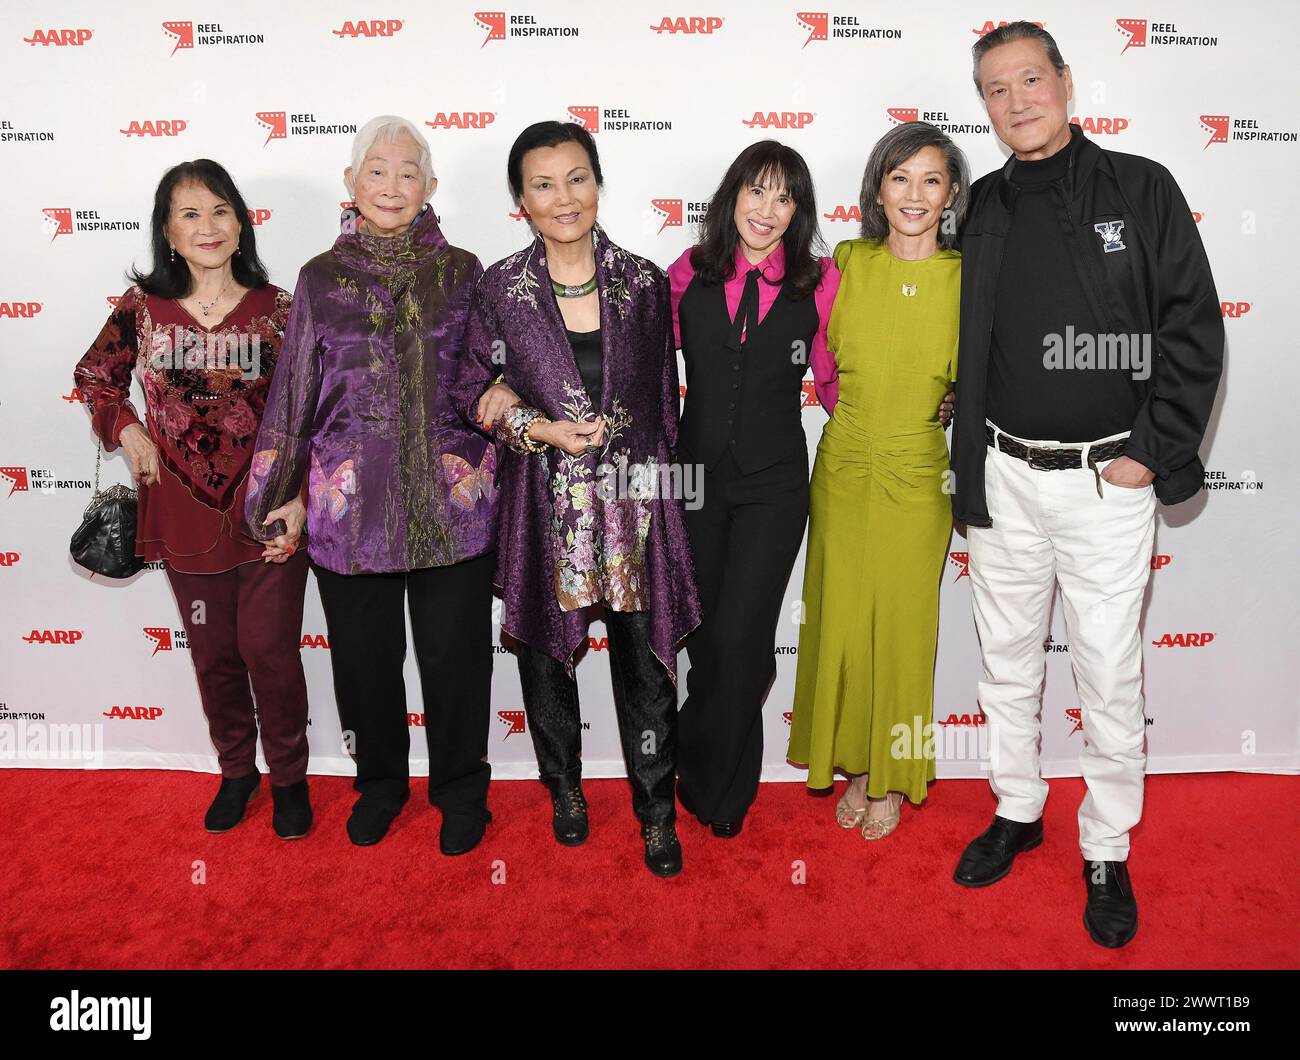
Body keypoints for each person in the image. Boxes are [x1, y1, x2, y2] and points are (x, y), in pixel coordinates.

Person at [950, 23, 1224, 947]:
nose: (1018, 100)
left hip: (1109, 482)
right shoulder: (976, 206)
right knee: (1007, 663)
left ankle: (1105, 845)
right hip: (1002, 474)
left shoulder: (1141, 187)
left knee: (1108, 674)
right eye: (997, 88)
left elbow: (1192, 326)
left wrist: (1152, 447)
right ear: (983, 105)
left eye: (1032, 79)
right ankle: (1018, 808)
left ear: (1066, 82)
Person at [451, 121, 701, 877]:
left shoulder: (646, 282)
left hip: (634, 502)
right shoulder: (498, 289)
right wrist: (538, 428)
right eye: (543, 183)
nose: (564, 198)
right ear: (520, 199)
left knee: (646, 666)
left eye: (577, 178)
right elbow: (473, 391)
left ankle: (656, 810)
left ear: (598, 181)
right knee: (546, 661)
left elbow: (662, 401)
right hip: (545, 499)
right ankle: (565, 789)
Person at [246, 116, 498, 855]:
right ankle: (380, 784)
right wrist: (278, 495)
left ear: (431, 188)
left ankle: (460, 789)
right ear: (351, 184)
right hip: (348, 510)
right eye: (377, 171)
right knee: (364, 668)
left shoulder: (464, 272)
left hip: (454, 505)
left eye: (408, 171)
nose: (392, 185)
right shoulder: (321, 279)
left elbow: (489, 378)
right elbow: (294, 391)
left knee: (457, 665)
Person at [74, 159, 311, 839]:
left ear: (241, 223)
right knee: (213, 653)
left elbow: (320, 408)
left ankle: (291, 778)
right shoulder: (141, 310)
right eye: (189, 214)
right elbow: (96, 377)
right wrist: (125, 429)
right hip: (180, 508)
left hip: (269, 507)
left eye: (220, 211)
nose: (207, 226)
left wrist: (297, 500)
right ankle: (238, 772)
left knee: (269, 649)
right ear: (168, 233)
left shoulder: (283, 309)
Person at [787, 123, 967, 840]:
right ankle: (854, 768)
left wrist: (943, 404)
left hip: (920, 474)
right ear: (877, 189)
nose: (914, 194)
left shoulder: (969, 276)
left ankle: (895, 774)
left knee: (904, 632)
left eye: (931, 179)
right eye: (900, 178)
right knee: (840, 625)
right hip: (843, 464)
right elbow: (821, 368)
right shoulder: (847, 265)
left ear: (951, 192)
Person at [667, 141, 840, 838]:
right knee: (706, 636)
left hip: (774, 484)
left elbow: (830, 379)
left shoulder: (818, 281)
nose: (767, 210)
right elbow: (645, 370)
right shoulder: (688, 272)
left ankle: (706, 770)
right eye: (756, 191)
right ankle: (717, 774)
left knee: (743, 635)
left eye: (784, 197)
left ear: (798, 211)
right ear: (731, 193)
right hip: (696, 478)